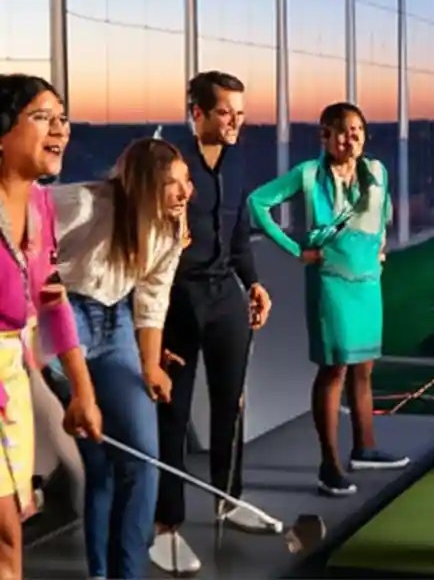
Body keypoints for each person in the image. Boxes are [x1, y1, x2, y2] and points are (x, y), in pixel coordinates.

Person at [247, 102, 408, 496]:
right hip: (331, 282)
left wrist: (379, 250)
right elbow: (257, 203)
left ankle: (366, 446)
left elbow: (383, 212)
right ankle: (329, 464)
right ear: (324, 136)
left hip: (368, 281)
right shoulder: (308, 175)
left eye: (356, 130)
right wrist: (296, 249)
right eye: (339, 131)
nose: (348, 138)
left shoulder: (376, 172)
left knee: (365, 367)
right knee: (334, 368)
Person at [50, 138, 192, 579]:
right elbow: (18, 224)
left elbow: (152, 298)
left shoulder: (171, 230)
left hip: (116, 322)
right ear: (145, 183)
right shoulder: (85, 203)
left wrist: (150, 365)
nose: (184, 192)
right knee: (100, 462)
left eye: (186, 181)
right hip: (59, 315)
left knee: (142, 458)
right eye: (172, 183)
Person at [151, 71, 275, 575]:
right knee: (173, 415)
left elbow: (240, 228)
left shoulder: (238, 158)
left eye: (240, 114)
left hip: (227, 294)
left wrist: (255, 282)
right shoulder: (168, 163)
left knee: (231, 403)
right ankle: (166, 527)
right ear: (197, 112)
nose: (234, 123)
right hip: (176, 297)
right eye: (225, 112)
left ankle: (227, 498)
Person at [0, 73, 103, 579]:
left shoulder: (41, 205)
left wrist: (81, 392)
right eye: (42, 117)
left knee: (8, 533)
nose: (59, 128)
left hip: (13, 379)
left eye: (62, 118)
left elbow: (53, 301)